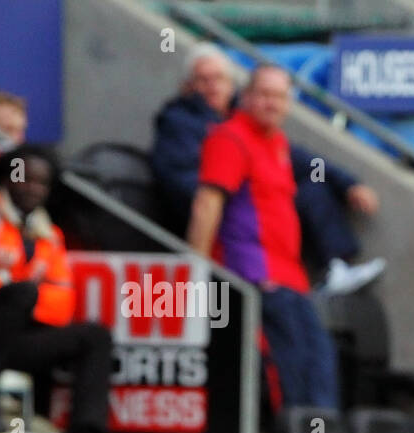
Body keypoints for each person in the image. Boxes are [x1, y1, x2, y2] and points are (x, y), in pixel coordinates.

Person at [154, 44, 384, 293]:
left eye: (219, 78)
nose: (212, 86)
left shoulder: (249, 123)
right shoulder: (180, 124)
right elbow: (188, 186)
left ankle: (335, 265)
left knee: (314, 184)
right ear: (187, 86)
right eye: (203, 79)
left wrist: (347, 183)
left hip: (271, 239)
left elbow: (304, 160)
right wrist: (234, 197)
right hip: (232, 230)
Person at [186, 64, 340, 409]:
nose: (273, 104)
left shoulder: (278, 143)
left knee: (319, 361)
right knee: (290, 370)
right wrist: (195, 270)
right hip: (257, 276)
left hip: (291, 278)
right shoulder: (230, 138)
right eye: (265, 95)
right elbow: (207, 204)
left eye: (280, 97)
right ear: (248, 96)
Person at [0, 146, 112, 433]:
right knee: (20, 294)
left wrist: (8, 278)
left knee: (95, 336)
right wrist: (15, 285)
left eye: (41, 182)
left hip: (11, 338)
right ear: (6, 178)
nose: (32, 188)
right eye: (24, 178)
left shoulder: (49, 234)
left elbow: (60, 308)